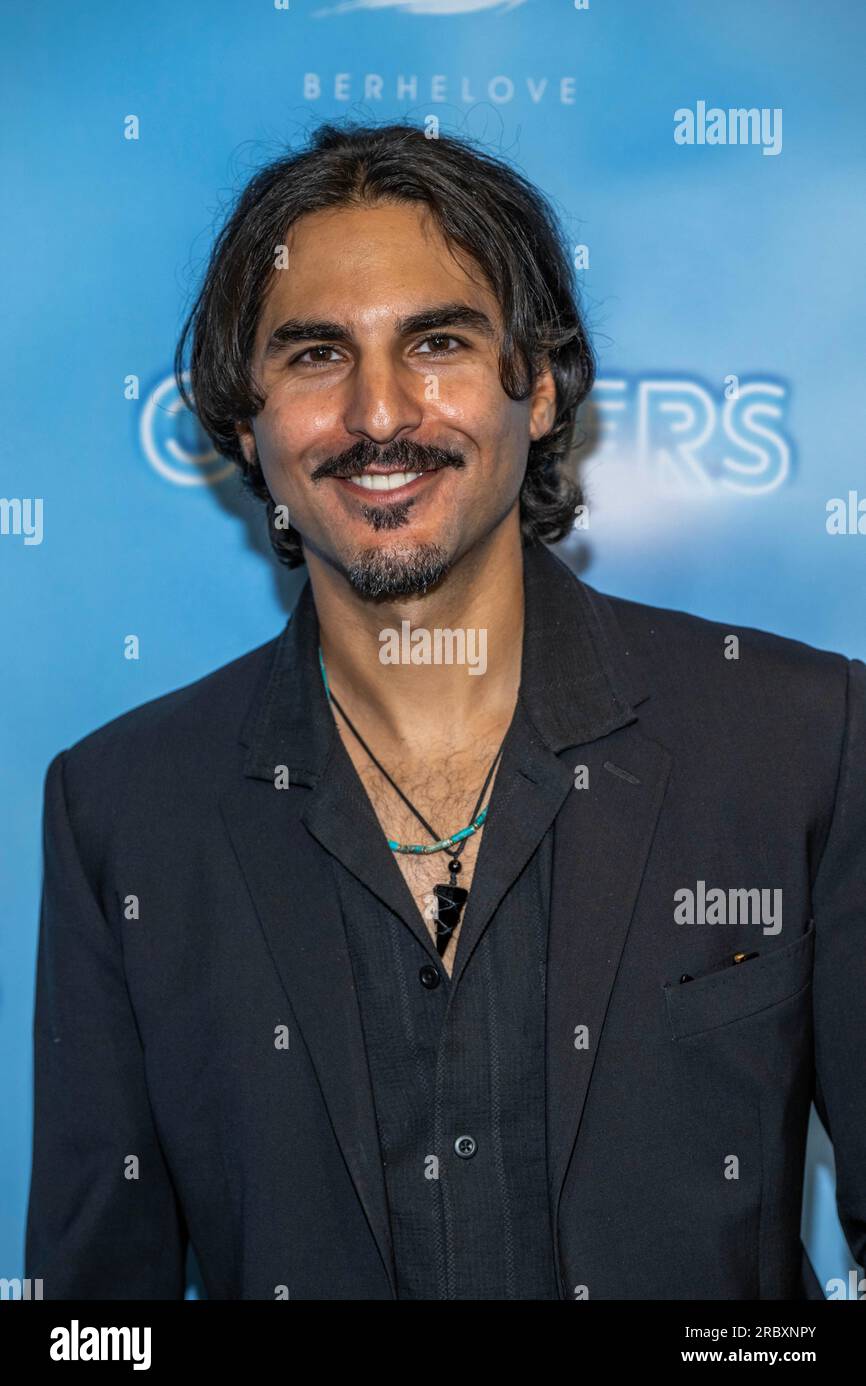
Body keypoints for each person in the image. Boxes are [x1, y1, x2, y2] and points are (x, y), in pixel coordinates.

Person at [25, 121, 865, 1300]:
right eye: (316, 355)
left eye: (436, 342)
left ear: (538, 385)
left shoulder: (795, 739)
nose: (379, 414)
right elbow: (92, 1317)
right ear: (244, 427)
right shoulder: (123, 809)